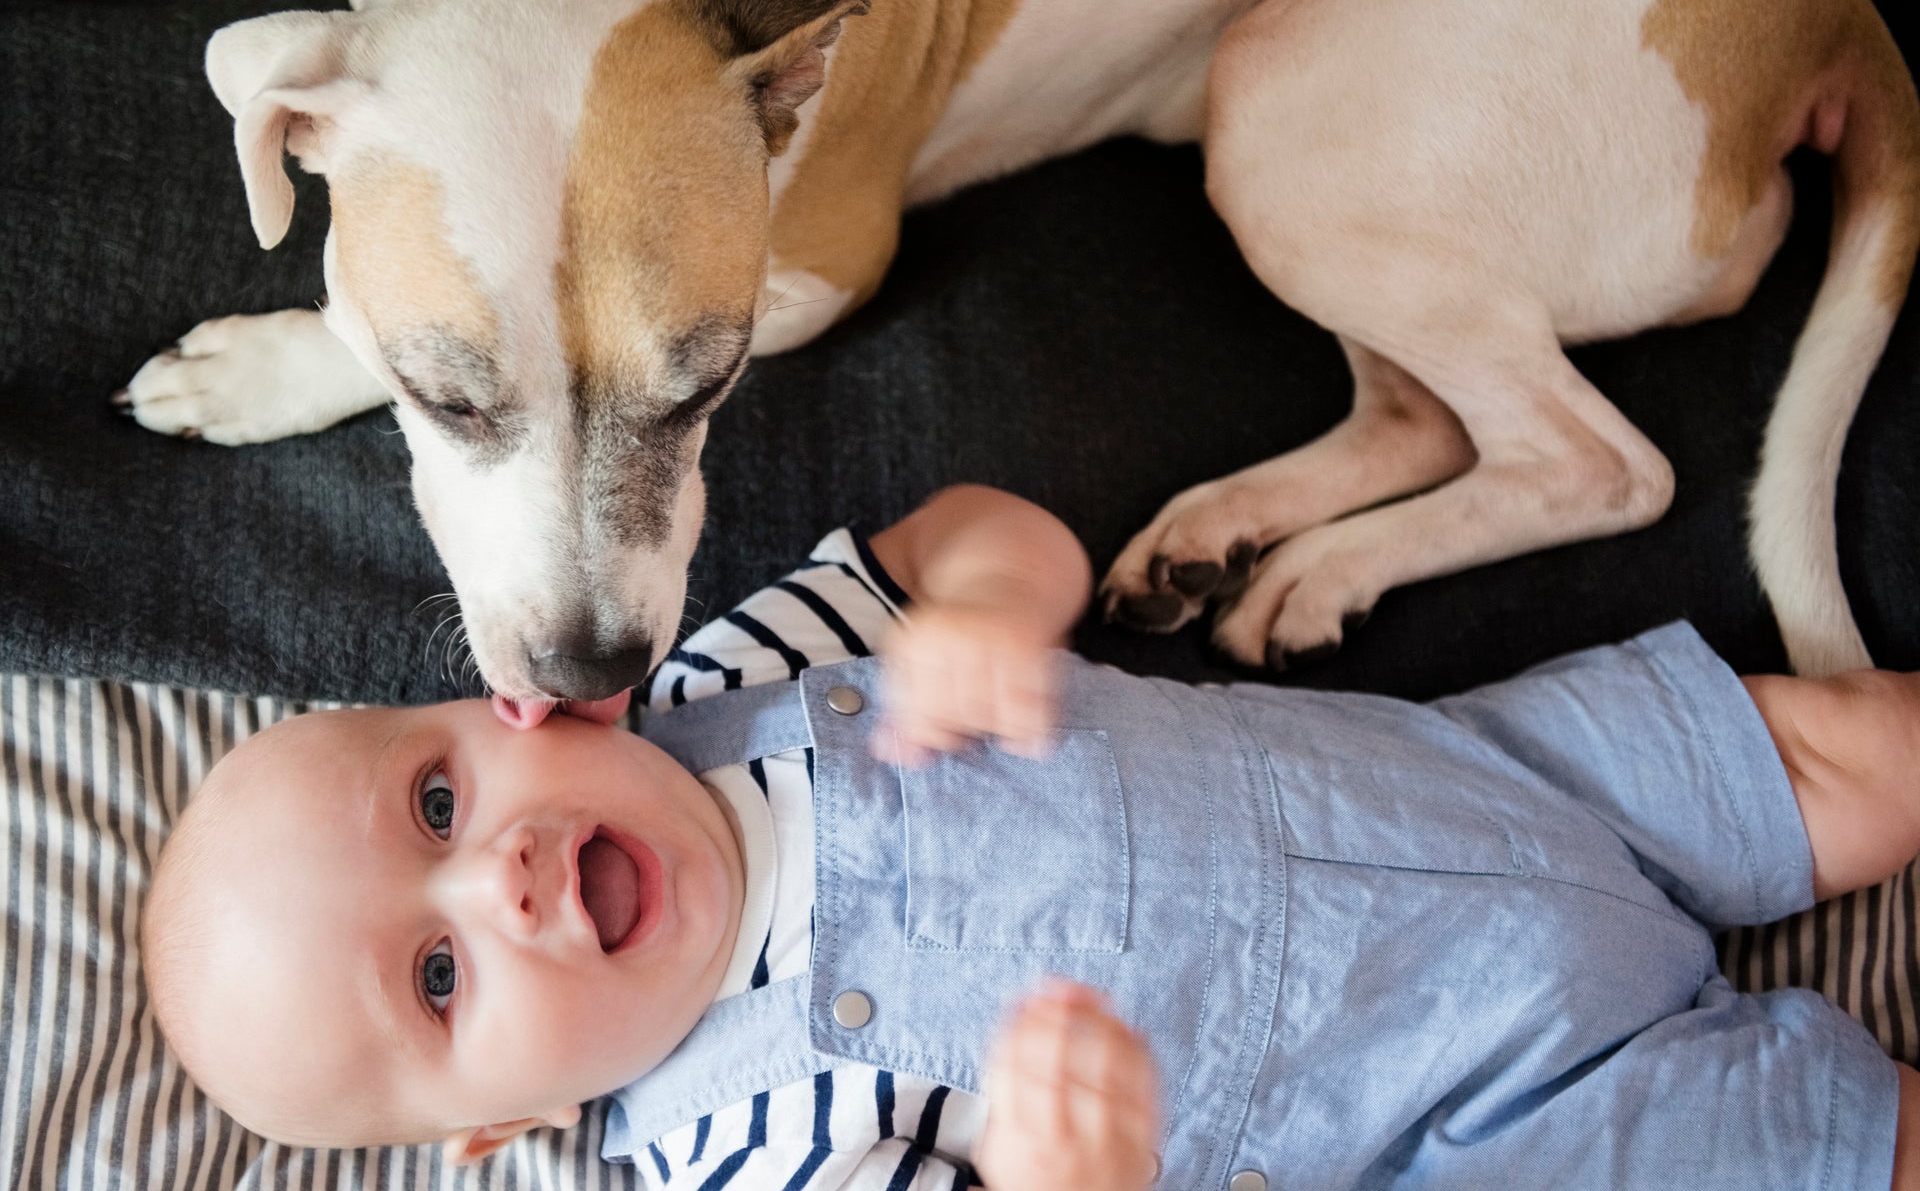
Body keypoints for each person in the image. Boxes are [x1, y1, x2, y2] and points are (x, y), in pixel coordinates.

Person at [141, 485, 1920, 1189]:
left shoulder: (726, 672)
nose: (500, 873)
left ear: (517, 704)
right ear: (508, 1130)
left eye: (438, 804)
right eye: (439, 972)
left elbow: (984, 530)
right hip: (1478, 1108)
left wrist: (993, 603)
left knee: (1849, 745)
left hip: (1493, 779)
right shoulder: (740, 1155)